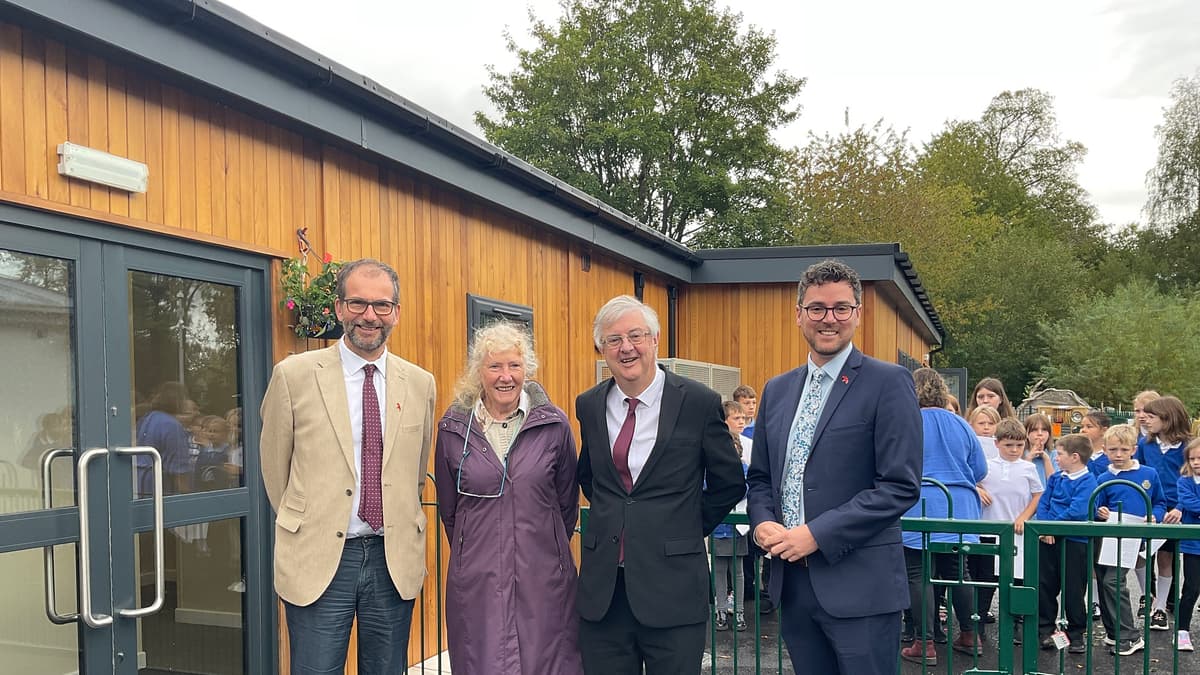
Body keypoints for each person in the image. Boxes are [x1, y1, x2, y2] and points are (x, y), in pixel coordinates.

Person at [259, 258, 436, 674]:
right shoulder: (294, 376)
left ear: (396, 312)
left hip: (391, 559)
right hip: (321, 558)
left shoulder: (420, 383)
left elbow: (415, 473)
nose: (369, 316)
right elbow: (274, 469)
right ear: (338, 308)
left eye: (381, 305)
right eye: (357, 303)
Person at [746, 259, 923, 674]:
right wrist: (763, 523)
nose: (829, 319)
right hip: (792, 584)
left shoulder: (888, 383)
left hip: (860, 587)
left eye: (841, 308)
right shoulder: (777, 389)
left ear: (857, 314)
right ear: (799, 315)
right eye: (817, 308)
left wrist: (816, 535)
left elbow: (898, 486)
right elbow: (760, 479)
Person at [575, 295, 744, 674]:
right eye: (614, 339)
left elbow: (730, 481)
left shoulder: (698, 402)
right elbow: (590, 476)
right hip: (605, 592)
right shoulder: (588, 404)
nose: (626, 347)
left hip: (674, 590)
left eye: (636, 335)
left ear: (655, 340)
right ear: (601, 348)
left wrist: (684, 524)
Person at [434, 322, 582, 674]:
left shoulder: (553, 425)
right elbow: (450, 511)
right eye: (494, 366)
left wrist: (541, 548)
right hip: (478, 579)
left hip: (544, 575)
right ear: (478, 373)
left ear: (526, 370)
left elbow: (566, 503)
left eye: (514, 365)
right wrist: (476, 553)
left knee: (546, 661)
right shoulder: (454, 428)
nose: (506, 376)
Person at [899, 368, 988, 666]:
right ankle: (969, 634)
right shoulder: (961, 424)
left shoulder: (908, 422)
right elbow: (980, 470)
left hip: (919, 503)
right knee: (959, 571)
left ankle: (923, 643)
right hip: (960, 506)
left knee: (918, 574)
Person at [1093, 423, 1164, 657]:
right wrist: (1100, 512)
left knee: (1113, 582)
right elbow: (1096, 504)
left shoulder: (1148, 474)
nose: (1118, 455)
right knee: (1105, 582)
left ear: (1133, 449)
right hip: (1108, 538)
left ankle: (1130, 635)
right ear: (1105, 450)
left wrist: (1155, 515)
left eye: (1123, 450)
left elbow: (1160, 502)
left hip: (1133, 537)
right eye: (1113, 450)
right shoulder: (1104, 476)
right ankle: (1114, 631)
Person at [976, 418, 1042, 645]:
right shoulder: (986, 466)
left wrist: (1023, 517)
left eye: (1019, 445)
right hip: (989, 529)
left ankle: (1014, 624)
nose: (1014, 450)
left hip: (1017, 532)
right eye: (1008, 445)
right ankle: (979, 625)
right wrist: (977, 488)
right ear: (997, 444)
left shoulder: (1029, 468)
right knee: (985, 580)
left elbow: (1037, 495)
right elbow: (971, 481)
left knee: (1015, 579)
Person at [1034, 433, 1098, 654]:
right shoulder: (1056, 478)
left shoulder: (1089, 481)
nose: (1056, 458)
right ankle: (1045, 629)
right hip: (1049, 536)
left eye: (1059, 454)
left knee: (1074, 588)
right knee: (1045, 584)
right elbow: (1044, 502)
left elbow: (1078, 511)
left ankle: (1076, 632)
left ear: (1074, 456)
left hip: (1074, 540)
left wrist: (1052, 527)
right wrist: (1045, 527)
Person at [1136, 395, 1193, 631]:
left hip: (1176, 510)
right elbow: (1137, 473)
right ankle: (1146, 596)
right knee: (1139, 555)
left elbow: (1191, 479)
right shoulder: (1144, 445)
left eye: (1151, 417)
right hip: (1148, 509)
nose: (1145, 420)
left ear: (1168, 419)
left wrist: (1180, 507)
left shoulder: (1189, 446)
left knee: (1166, 558)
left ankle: (1160, 608)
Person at [712, 400, 751, 632]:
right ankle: (720, 610)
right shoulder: (712, 470)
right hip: (719, 526)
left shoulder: (745, 469)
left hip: (739, 528)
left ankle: (738, 612)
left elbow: (747, 489)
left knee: (737, 572)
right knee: (718, 571)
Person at [1173, 437, 1200, 653]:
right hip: (1194, 544)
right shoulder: (1184, 481)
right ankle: (1182, 631)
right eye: (1192, 459)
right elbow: (1189, 503)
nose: (1196, 462)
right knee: (1191, 587)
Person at [1024, 413, 1058, 486]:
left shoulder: (1055, 454)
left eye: (1044, 430)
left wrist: (1046, 459)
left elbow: (1055, 484)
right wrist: (1029, 458)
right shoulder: (1021, 454)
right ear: (1027, 433)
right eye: (1034, 430)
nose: (1040, 433)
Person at [1083, 410, 1113, 476]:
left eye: (1089, 426)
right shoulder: (1079, 453)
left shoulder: (1112, 455)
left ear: (1104, 430)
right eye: (1082, 426)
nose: (1083, 430)